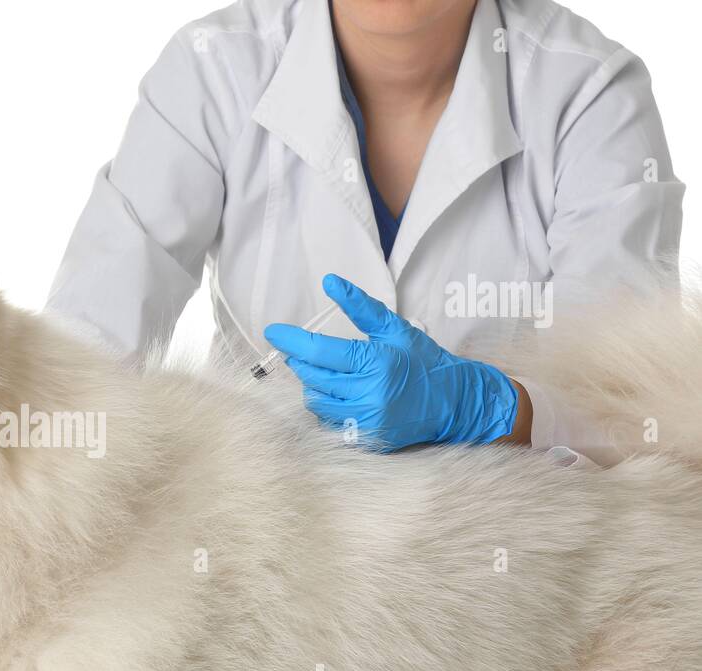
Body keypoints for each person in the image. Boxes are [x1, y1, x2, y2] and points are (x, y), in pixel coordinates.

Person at [47, 0, 683, 462]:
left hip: (514, 581)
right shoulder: (212, 71)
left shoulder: (593, 93)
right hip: (259, 562)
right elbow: (76, 366)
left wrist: (494, 409)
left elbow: (639, 420)